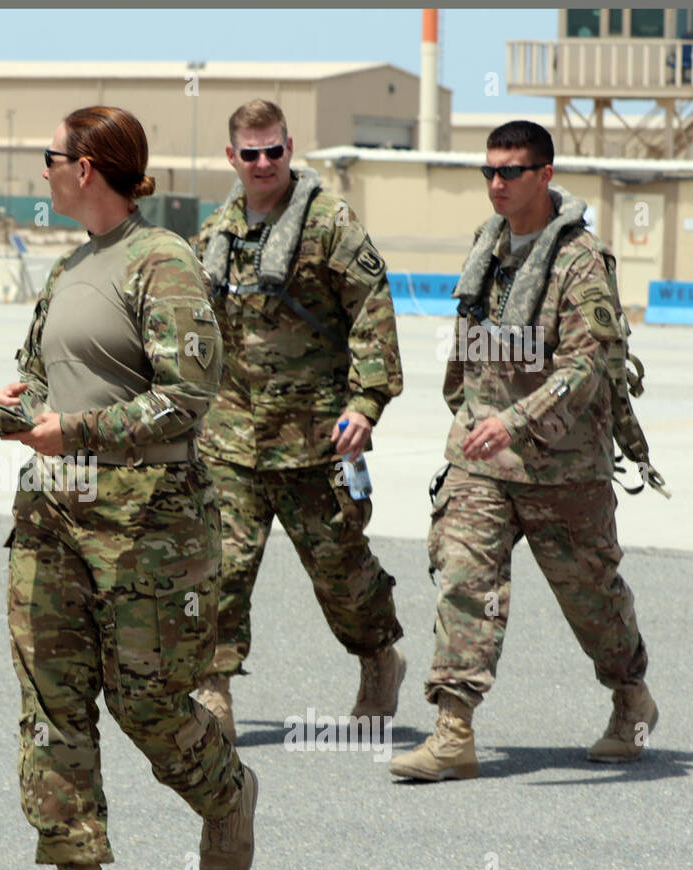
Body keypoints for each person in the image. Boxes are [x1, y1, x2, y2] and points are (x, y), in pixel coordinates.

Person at [0, 106, 257, 870]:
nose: (43, 170)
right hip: (52, 515)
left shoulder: (162, 262)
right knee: (51, 695)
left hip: (148, 526)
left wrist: (78, 430)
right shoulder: (71, 268)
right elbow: (42, 378)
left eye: (51, 155)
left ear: (89, 166)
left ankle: (227, 790)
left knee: (147, 704)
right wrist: (18, 406)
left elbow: (187, 398)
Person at [390, 120, 656, 781]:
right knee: (464, 582)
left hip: (561, 466)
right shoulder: (488, 249)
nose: (497, 183)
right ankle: (453, 732)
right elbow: (469, 343)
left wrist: (516, 419)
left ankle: (630, 699)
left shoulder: (580, 261)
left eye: (511, 170)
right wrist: (468, 421)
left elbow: (586, 364)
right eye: (489, 171)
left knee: (591, 599)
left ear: (544, 174)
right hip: (482, 461)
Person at [191, 99, 405, 742]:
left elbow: (372, 309)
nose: (263, 164)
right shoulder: (212, 236)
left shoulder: (330, 224)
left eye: (273, 151)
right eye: (249, 153)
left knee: (340, 568)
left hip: (317, 435)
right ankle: (214, 686)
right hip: (230, 437)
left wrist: (366, 404)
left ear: (290, 147)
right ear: (232, 157)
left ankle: (377, 660)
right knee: (218, 566)